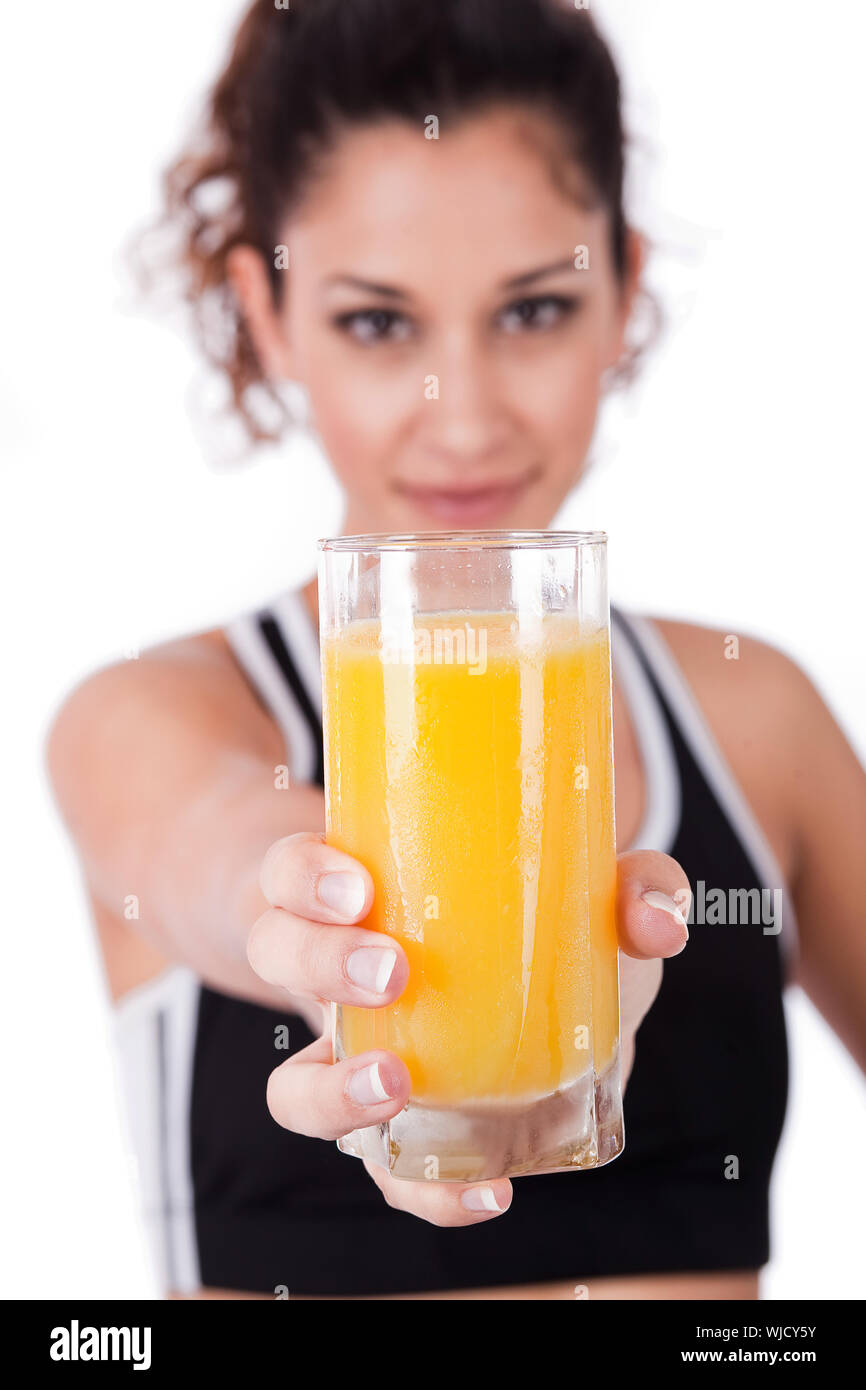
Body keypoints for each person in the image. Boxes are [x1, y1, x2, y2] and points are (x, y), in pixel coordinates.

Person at [48, 0, 866, 1301]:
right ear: (267, 312)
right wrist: (337, 953)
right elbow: (213, 861)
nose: (465, 413)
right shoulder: (154, 714)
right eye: (379, 323)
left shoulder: (750, 716)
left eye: (533, 309)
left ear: (622, 289)